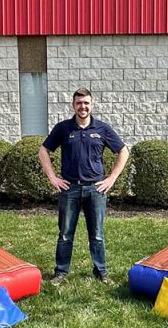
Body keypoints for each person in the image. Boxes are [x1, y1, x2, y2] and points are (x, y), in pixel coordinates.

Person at [38, 87, 129, 286]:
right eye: (79, 103)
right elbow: (43, 150)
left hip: (95, 190)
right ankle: (60, 273)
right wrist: (53, 177)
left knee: (96, 234)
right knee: (64, 234)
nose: (83, 107)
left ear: (92, 105)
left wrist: (111, 179)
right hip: (69, 189)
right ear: (73, 105)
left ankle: (101, 272)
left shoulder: (102, 129)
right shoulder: (63, 128)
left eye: (86, 103)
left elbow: (123, 151)